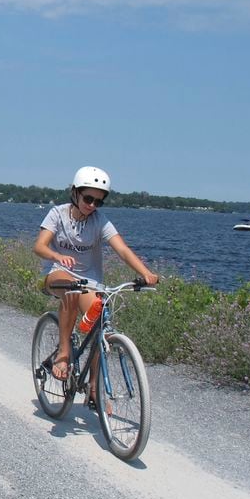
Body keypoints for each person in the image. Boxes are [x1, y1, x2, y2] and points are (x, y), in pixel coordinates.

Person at [33, 165, 158, 409]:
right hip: (56, 274)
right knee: (71, 288)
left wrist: (146, 273)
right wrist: (57, 257)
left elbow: (121, 249)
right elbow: (39, 246)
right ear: (75, 193)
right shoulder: (57, 214)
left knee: (101, 318)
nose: (92, 205)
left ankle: (94, 388)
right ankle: (64, 354)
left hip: (89, 280)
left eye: (98, 202)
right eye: (88, 198)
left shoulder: (100, 221)